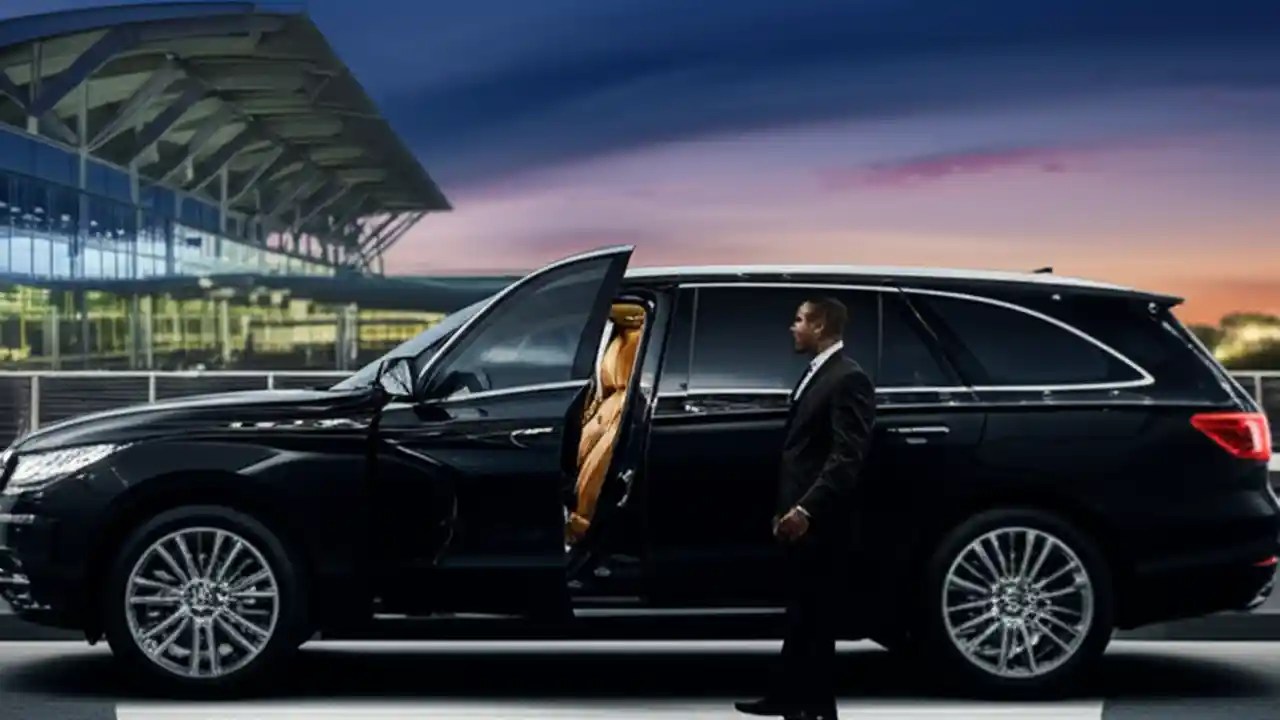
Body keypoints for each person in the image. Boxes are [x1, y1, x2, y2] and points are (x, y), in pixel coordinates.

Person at [735, 297, 877, 720]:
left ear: (820, 326)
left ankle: (818, 707)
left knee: (817, 615)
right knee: (803, 612)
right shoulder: (820, 372)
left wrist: (806, 510)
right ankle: (789, 697)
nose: (792, 327)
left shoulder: (848, 378)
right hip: (798, 512)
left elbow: (847, 456)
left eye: (799, 320)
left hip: (822, 518)